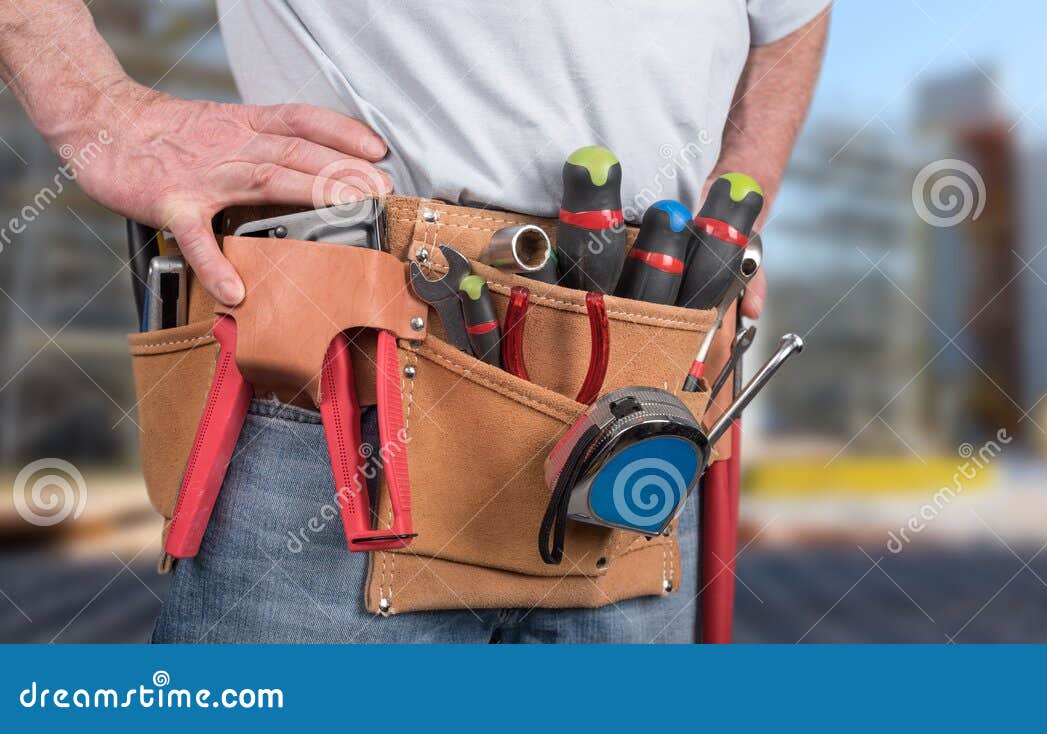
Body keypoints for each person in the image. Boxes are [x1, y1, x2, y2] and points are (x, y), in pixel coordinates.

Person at [0, 0, 829, 643]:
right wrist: (92, 110)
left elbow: (793, 17)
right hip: (335, 396)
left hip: (647, 404)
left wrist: (746, 185)